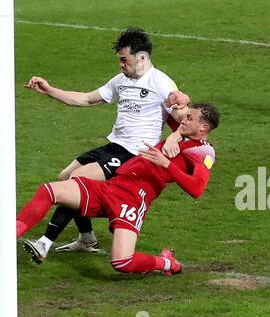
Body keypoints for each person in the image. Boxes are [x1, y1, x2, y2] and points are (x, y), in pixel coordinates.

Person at [20, 27, 187, 260]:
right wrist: (49, 90)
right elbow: (87, 99)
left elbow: (184, 117)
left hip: (133, 154)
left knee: (76, 181)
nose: (121, 65)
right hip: (113, 146)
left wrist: (173, 137)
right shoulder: (121, 80)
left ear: (141, 58)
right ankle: (87, 238)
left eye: (124, 60)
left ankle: (44, 242)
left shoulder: (160, 82)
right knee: (65, 175)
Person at [14, 101, 218, 276]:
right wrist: (179, 103)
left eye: (190, 118)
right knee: (49, 190)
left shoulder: (204, 151)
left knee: (121, 262)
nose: (183, 119)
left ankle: (167, 263)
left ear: (204, 128)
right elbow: (172, 109)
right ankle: (9, 239)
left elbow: (197, 189)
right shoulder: (182, 132)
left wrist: (166, 164)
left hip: (134, 199)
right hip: (114, 184)